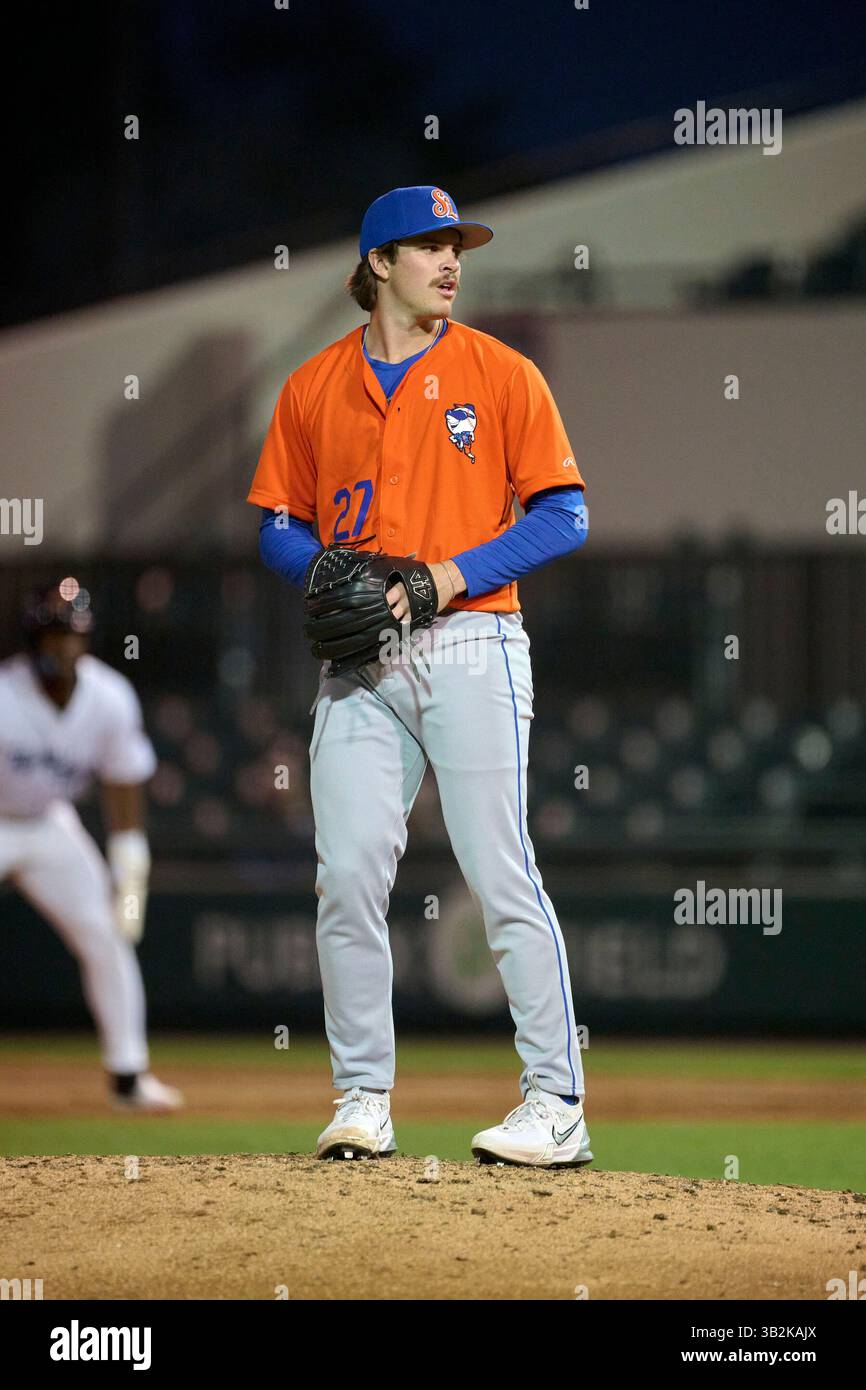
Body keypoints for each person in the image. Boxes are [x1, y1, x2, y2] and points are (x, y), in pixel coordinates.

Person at [249, 185, 591, 1168]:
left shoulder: (499, 371)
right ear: (377, 265)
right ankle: (361, 1098)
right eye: (427, 245)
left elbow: (562, 516)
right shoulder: (313, 386)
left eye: (456, 246)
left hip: (473, 643)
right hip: (359, 663)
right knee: (346, 873)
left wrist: (444, 577)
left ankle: (554, 1099)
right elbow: (277, 523)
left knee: (497, 869)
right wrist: (315, 569)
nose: (449, 260)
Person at [0, 581, 182, 1112]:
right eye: (54, 635)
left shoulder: (109, 697)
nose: (64, 647)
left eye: (73, 635)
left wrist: (131, 870)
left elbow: (124, 787)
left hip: (48, 825)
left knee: (106, 936)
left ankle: (129, 1077)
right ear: (34, 640)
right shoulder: (6, 694)